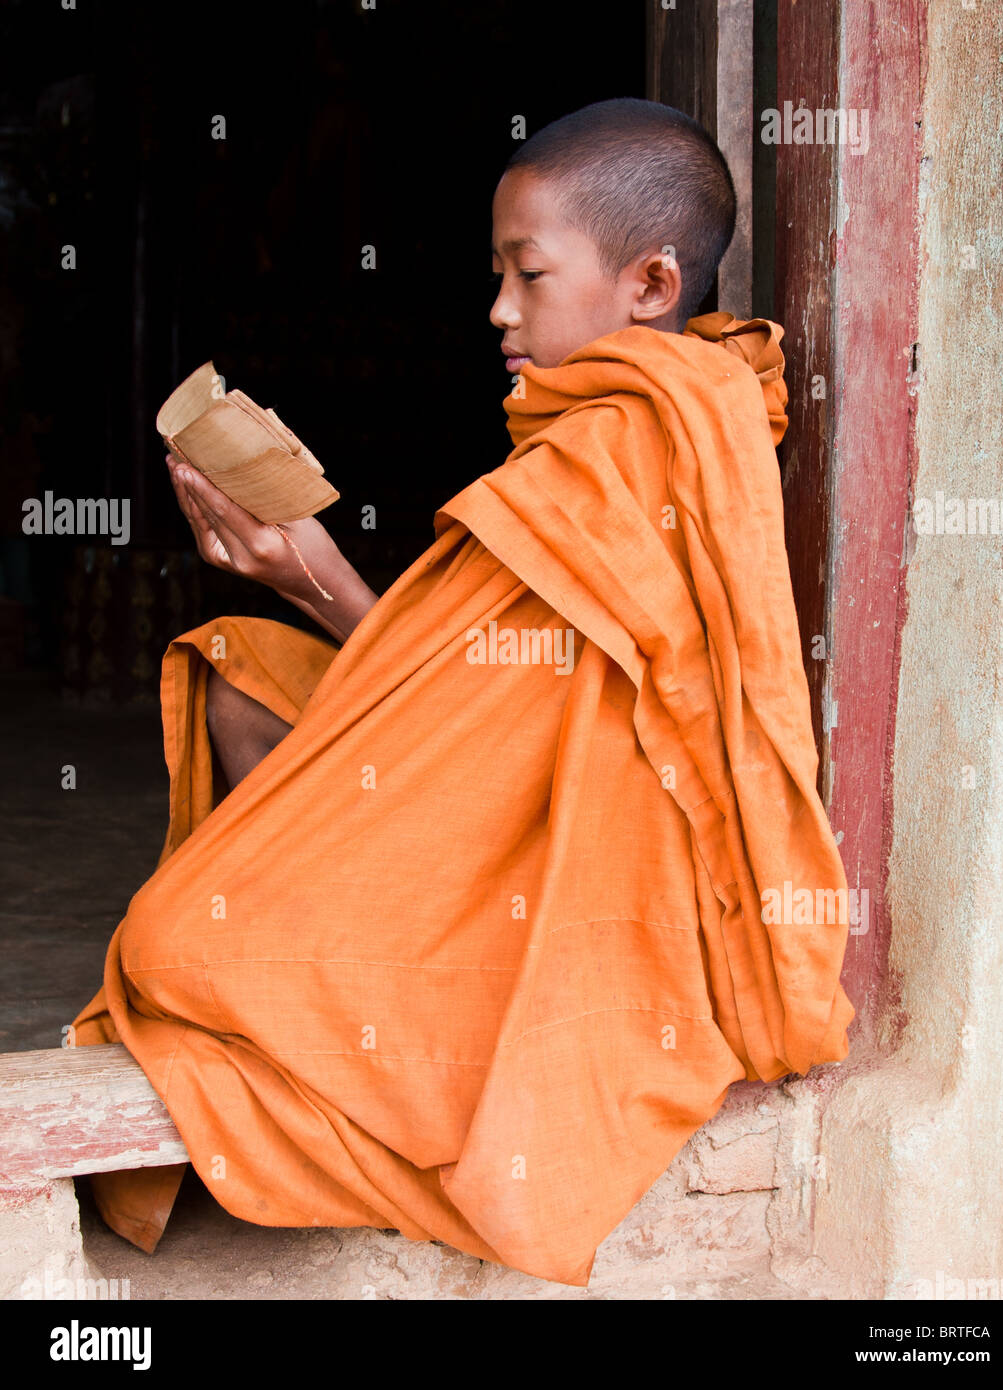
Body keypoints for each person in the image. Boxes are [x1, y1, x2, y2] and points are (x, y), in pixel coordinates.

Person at [71, 98, 855, 1289]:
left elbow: (481, 709)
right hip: (502, 791)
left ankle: (398, 1022)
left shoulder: (617, 450)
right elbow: (470, 706)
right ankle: (354, 966)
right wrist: (298, 583)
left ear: (648, 283)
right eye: (497, 273)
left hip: (570, 859)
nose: (496, 310)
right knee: (241, 676)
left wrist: (316, 571)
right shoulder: (669, 402)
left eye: (526, 275)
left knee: (172, 945)